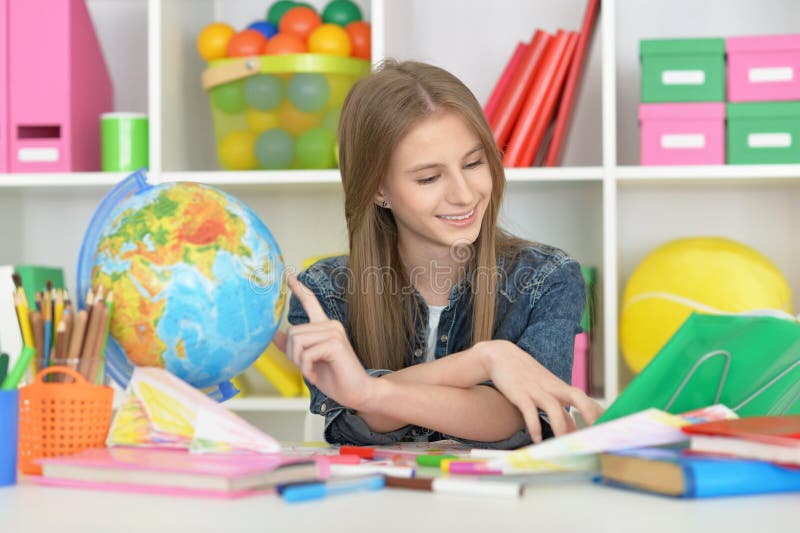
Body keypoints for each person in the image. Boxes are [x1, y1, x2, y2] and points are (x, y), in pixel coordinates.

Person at [283, 59, 603, 449]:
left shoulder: (547, 279)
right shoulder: (323, 291)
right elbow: (355, 424)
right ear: (378, 189)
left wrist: (369, 392)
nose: (464, 195)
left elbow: (521, 419)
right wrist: (482, 362)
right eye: (429, 177)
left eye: (473, 163)